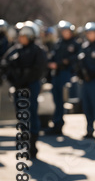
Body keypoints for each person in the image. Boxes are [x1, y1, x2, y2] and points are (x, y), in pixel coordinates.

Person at [1, 21, 48, 158]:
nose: (21, 38)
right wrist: (13, 79)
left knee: (31, 114)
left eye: (24, 35)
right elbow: (5, 64)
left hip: (30, 87)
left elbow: (39, 70)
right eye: (20, 35)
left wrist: (24, 78)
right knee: (21, 115)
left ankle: (32, 145)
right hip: (18, 88)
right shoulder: (15, 49)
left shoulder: (38, 50)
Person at [46, 20, 79, 137]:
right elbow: (52, 56)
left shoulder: (75, 44)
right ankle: (56, 124)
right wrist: (51, 63)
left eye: (67, 31)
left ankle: (59, 123)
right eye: (63, 31)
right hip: (56, 75)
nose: (65, 33)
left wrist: (60, 64)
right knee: (56, 101)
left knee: (63, 101)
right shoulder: (58, 43)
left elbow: (74, 60)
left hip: (66, 75)